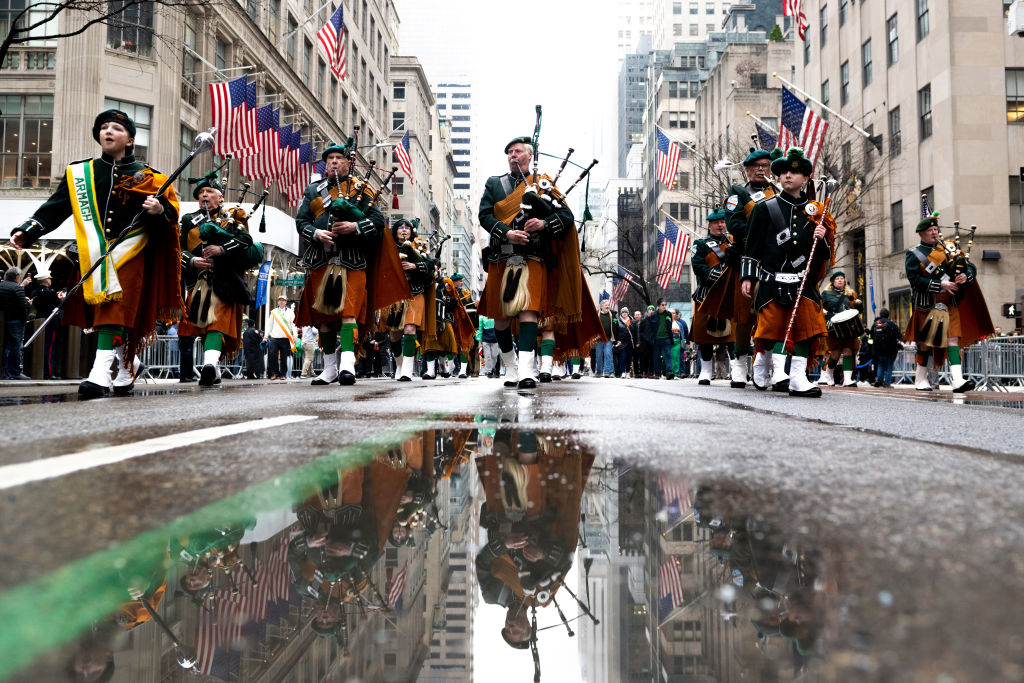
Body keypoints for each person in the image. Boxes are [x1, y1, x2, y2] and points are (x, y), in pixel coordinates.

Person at [11, 109, 181, 398]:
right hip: (95, 253)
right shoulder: (81, 173)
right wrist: (29, 230)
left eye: (116, 127)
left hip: (132, 253)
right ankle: (129, 368)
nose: (109, 131)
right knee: (105, 314)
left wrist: (160, 211)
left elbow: (171, 221)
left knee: (114, 311)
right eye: (104, 127)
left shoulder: (153, 178)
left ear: (129, 139)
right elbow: (56, 207)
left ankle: (99, 375)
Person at [295, 139, 407, 386]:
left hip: (352, 261)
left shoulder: (361, 188)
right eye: (330, 159)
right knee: (323, 318)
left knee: (348, 314)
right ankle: (329, 369)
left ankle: (347, 366)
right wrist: (316, 233)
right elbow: (301, 222)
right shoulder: (313, 191)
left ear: (348, 163)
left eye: (339, 158)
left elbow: (378, 223)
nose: (334, 162)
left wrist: (354, 226)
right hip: (321, 259)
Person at [477, 136, 577, 388]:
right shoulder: (494, 184)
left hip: (533, 256)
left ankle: (525, 371)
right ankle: (510, 366)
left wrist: (544, 223)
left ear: (529, 156)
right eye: (509, 151)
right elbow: (484, 216)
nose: (512, 155)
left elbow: (566, 215)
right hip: (502, 256)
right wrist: (506, 232)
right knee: (500, 318)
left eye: (518, 150)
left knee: (528, 310)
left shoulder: (543, 183)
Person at [740, 147, 835, 398]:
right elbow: (753, 246)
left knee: (806, 329)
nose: (788, 176)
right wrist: (748, 276)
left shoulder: (816, 211)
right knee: (770, 330)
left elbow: (823, 255)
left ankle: (797, 378)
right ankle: (761, 362)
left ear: (805, 179)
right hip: (773, 281)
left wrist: (822, 237)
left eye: (795, 172)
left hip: (803, 283)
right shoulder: (765, 208)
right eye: (782, 172)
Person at [178, 172, 263, 387]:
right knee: (204, 325)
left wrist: (222, 249)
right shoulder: (188, 220)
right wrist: (193, 260)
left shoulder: (234, 216)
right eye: (200, 193)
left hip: (225, 279)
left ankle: (208, 364)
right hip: (197, 281)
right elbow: (177, 250)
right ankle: (213, 367)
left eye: (209, 192)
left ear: (220, 196)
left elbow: (246, 241)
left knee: (217, 321)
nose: (204, 195)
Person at [904, 212, 994, 392]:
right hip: (927, 304)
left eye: (936, 229)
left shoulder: (948, 248)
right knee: (925, 343)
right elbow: (914, 280)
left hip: (949, 302)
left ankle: (958, 380)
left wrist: (964, 275)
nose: (934, 232)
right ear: (921, 233)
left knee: (952, 339)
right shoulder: (914, 254)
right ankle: (920, 379)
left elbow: (970, 267)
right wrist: (940, 284)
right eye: (930, 230)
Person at [725, 147, 776, 387]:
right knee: (744, 315)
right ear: (746, 170)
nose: (760, 169)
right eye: (755, 166)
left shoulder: (778, 192)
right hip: (748, 259)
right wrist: (759, 243)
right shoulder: (738, 194)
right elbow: (735, 224)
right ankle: (740, 363)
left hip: (777, 261)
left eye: (765, 165)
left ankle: (768, 363)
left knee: (774, 312)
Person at [690, 208, 742, 386]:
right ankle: (705, 371)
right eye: (716, 223)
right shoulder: (701, 244)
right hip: (707, 294)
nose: (720, 225)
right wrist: (717, 277)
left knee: (732, 337)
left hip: (729, 295)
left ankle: (736, 369)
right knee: (704, 337)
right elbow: (698, 266)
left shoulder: (734, 242)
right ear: (710, 225)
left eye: (722, 222)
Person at [384, 219, 435, 381]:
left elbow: (431, 265)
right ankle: (399, 365)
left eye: (407, 228)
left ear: (412, 231)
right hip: (395, 294)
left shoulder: (419, 245)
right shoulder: (388, 247)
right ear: (396, 231)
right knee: (394, 334)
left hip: (415, 292)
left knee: (409, 328)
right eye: (400, 227)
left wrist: (414, 266)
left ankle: (407, 369)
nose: (404, 230)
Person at [819, 270, 863, 387]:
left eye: (842, 278)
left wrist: (859, 304)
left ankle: (848, 379)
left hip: (848, 326)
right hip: (833, 326)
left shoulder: (850, 294)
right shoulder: (826, 294)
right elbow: (819, 305)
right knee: (835, 353)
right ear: (833, 282)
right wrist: (823, 311)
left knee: (848, 350)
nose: (840, 280)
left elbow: (857, 311)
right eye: (837, 279)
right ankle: (829, 373)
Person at [1, 267, 31, 380]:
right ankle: (15, 372)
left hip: (3, 321)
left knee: (4, 346)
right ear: (17, 277)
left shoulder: (1, 285)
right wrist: (27, 306)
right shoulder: (17, 288)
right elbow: (22, 307)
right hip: (15, 322)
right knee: (15, 346)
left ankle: (4, 371)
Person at [264, 295, 295, 380]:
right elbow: (269, 325)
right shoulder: (274, 312)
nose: (281, 302)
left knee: (284, 357)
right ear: (278, 302)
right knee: (272, 355)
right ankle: (274, 373)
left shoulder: (290, 312)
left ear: (286, 302)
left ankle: (283, 374)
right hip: (274, 337)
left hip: (285, 338)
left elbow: (293, 324)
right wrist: (266, 336)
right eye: (280, 300)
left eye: (283, 300)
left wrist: (295, 335)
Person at [652, 299, 675, 379]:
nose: (664, 306)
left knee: (668, 354)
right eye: (662, 305)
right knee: (656, 356)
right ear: (658, 306)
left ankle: (669, 372)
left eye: (665, 305)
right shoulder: (653, 315)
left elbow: (670, 326)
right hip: (657, 339)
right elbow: (651, 328)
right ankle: (657, 373)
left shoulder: (668, 314)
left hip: (666, 338)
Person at [595, 300, 616, 377]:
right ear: (601, 306)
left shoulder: (612, 314)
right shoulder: (596, 314)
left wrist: (616, 338)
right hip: (598, 339)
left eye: (608, 305)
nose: (607, 306)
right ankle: (599, 371)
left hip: (609, 339)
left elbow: (615, 327)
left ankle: (607, 371)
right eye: (605, 305)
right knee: (598, 356)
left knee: (608, 354)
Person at [614, 306, 634, 377]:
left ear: (628, 313)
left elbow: (635, 332)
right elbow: (615, 332)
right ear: (621, 313)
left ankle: (628, 372)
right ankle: (622, 372)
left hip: (630, 343)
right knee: (622, 357)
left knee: (629, 358)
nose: (624, 314)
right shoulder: (618, 321)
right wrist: (616, 341)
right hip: (621, 343)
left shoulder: (632, 321)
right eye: (623, 312)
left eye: (626, 312)